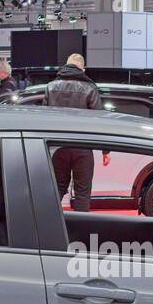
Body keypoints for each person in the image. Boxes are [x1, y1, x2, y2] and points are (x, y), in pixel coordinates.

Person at [45, 53, 102, 211]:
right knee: (82, 193)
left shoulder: (51, 87)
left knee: (56, 190)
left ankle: (49, 226)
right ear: (83, 68)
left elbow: (43, 119)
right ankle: (81, 232)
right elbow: (100, 120)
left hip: (58, 146)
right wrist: (106, 150)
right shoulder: (90, 88)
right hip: (82, 146)